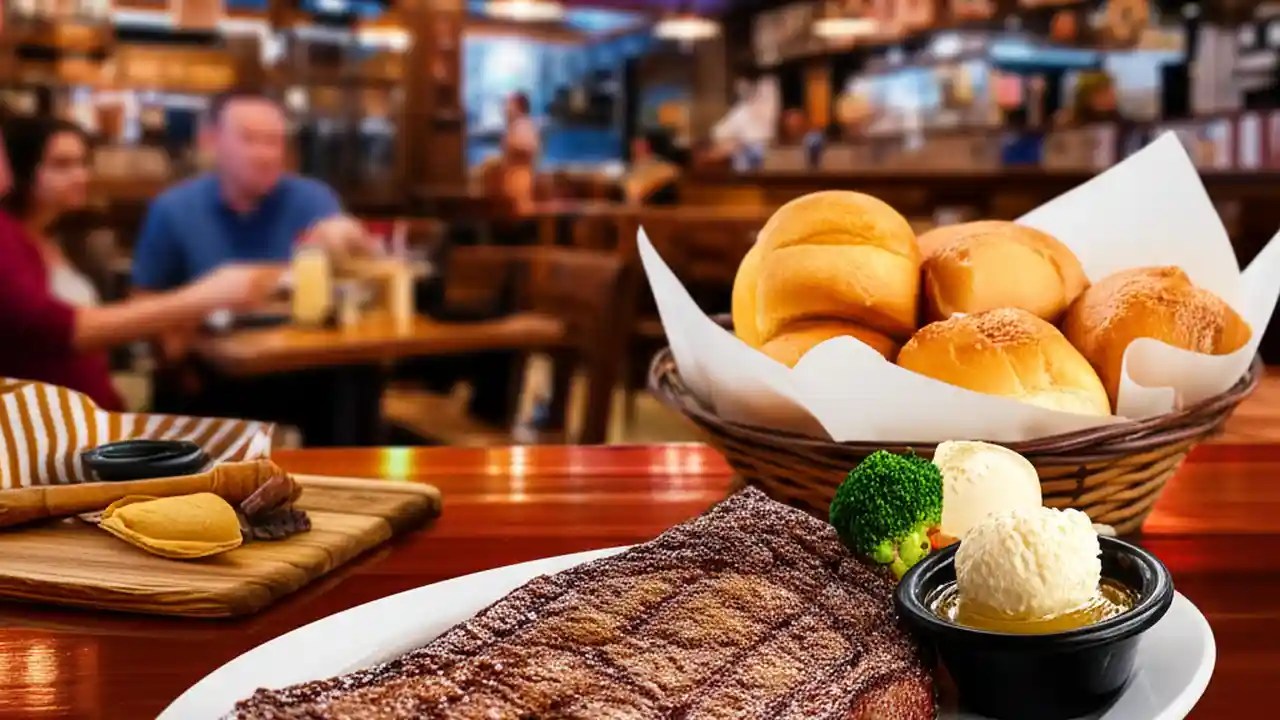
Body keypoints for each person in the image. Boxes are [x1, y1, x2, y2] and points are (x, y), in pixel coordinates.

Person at [0, 116, 280, 410]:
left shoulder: (43, 239)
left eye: (83, 163)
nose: (81, 175)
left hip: (92, 411)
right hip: (59, 423)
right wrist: (206, 296)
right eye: (62, 165)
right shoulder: (9, 238)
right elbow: (61, 330)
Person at [131, 89, 372, 293]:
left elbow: (359, 281)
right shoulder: (173, 210)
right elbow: (144, 305)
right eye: (249, 139)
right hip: (207, 333)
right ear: (210, 141)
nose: (265, 155)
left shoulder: (314, 201)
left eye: (273, 141)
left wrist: (353, 243)